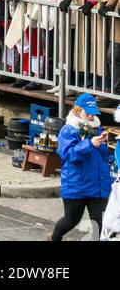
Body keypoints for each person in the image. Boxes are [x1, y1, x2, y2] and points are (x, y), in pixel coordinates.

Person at [51, 94, 113, 241]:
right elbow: (69, 154)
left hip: (97, 185)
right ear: (78, 111)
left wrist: (104, 143)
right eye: (88, 113)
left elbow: (102, 157)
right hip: (76, 185)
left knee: (99, 224)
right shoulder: (68, 130)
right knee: (70, 221)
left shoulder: (97, 128)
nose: (91, 117)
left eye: (93, 114)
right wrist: (90, 144)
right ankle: (54, 238)